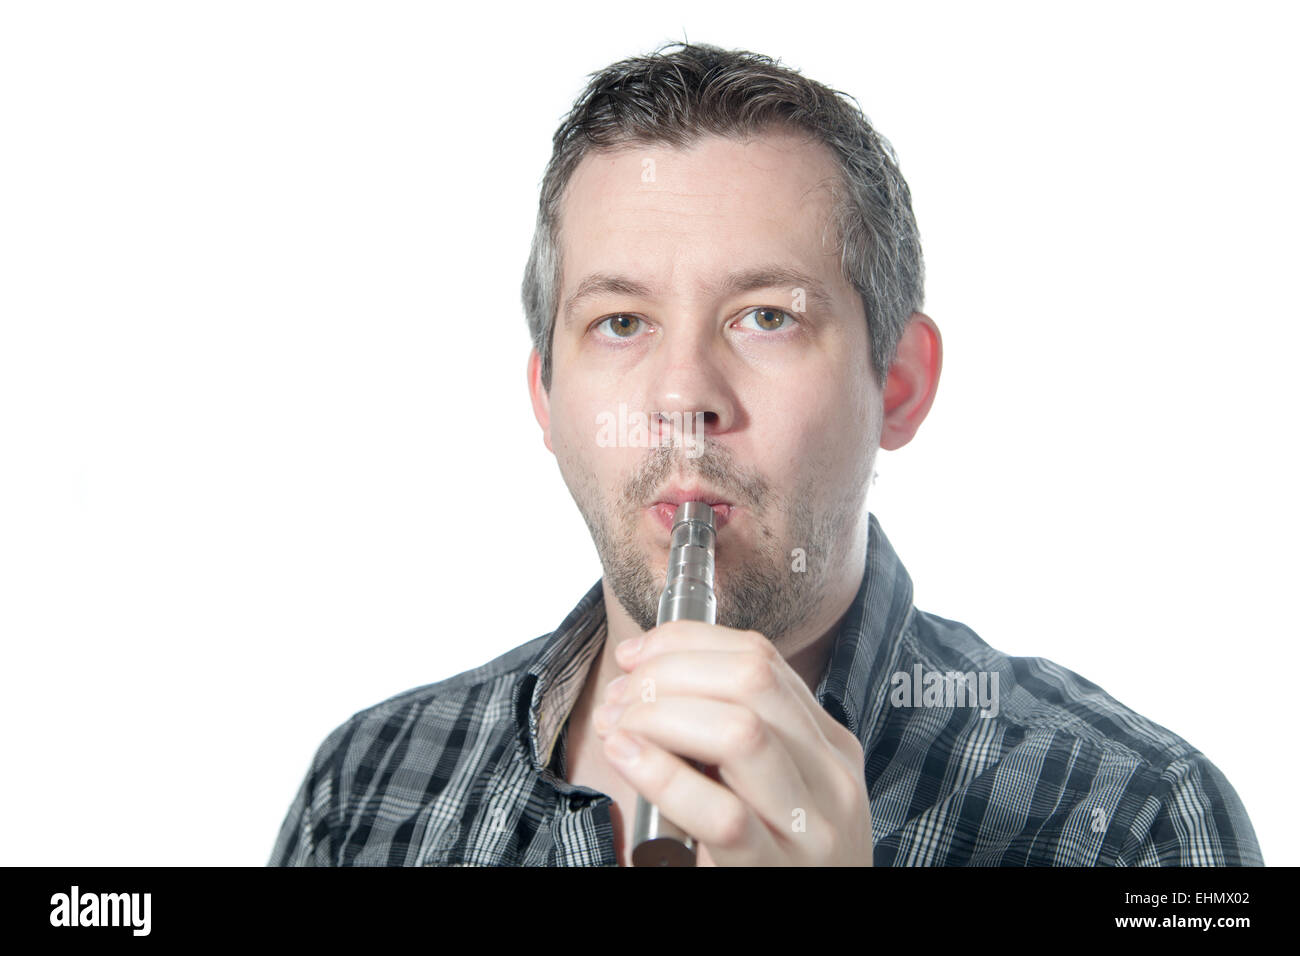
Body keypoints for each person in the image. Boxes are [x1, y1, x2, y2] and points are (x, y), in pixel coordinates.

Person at [269, 41, 1263, 867]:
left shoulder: (1136, 820)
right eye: (620, 321)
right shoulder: (366, 783)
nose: (683, 397)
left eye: (764, 316)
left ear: (900, 384)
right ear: (546, 395)